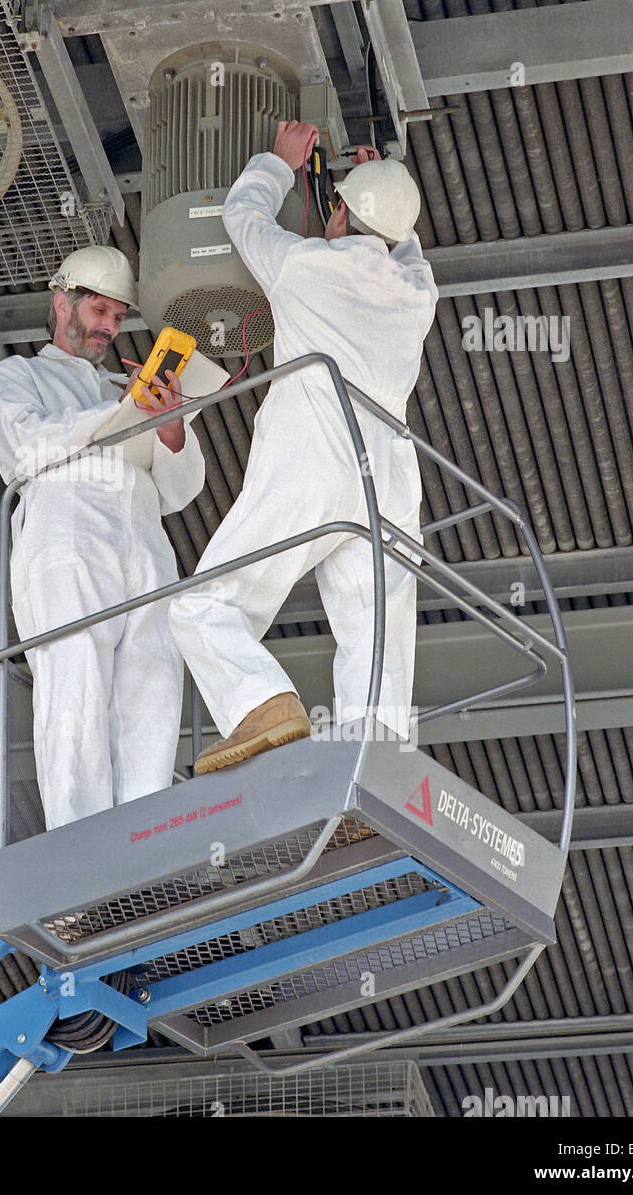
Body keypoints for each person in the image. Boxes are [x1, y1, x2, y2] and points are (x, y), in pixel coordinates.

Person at [168, 122, 437, 773]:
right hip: (389, 486)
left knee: (203, 605)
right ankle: (378, 773)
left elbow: (243, 214)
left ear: (340, 212)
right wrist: (385, 189)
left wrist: (279, 162)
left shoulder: (304, 264)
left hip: (312, 460)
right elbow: (404, 245)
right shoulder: (418, 293)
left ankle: (264, 705)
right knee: (376, 637)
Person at [0, 245, 206, 830]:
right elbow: (26, 444)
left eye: (117, 316)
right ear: (63, 303)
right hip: (66, 533)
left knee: (153, 682)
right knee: (76, 679)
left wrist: (172, 426)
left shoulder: (122, 389)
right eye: (99, 310)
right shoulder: (18, 375)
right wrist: (120, 414)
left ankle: (141, 847)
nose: (109, 326)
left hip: (142, 539)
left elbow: (178, 492)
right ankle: (81, 846)